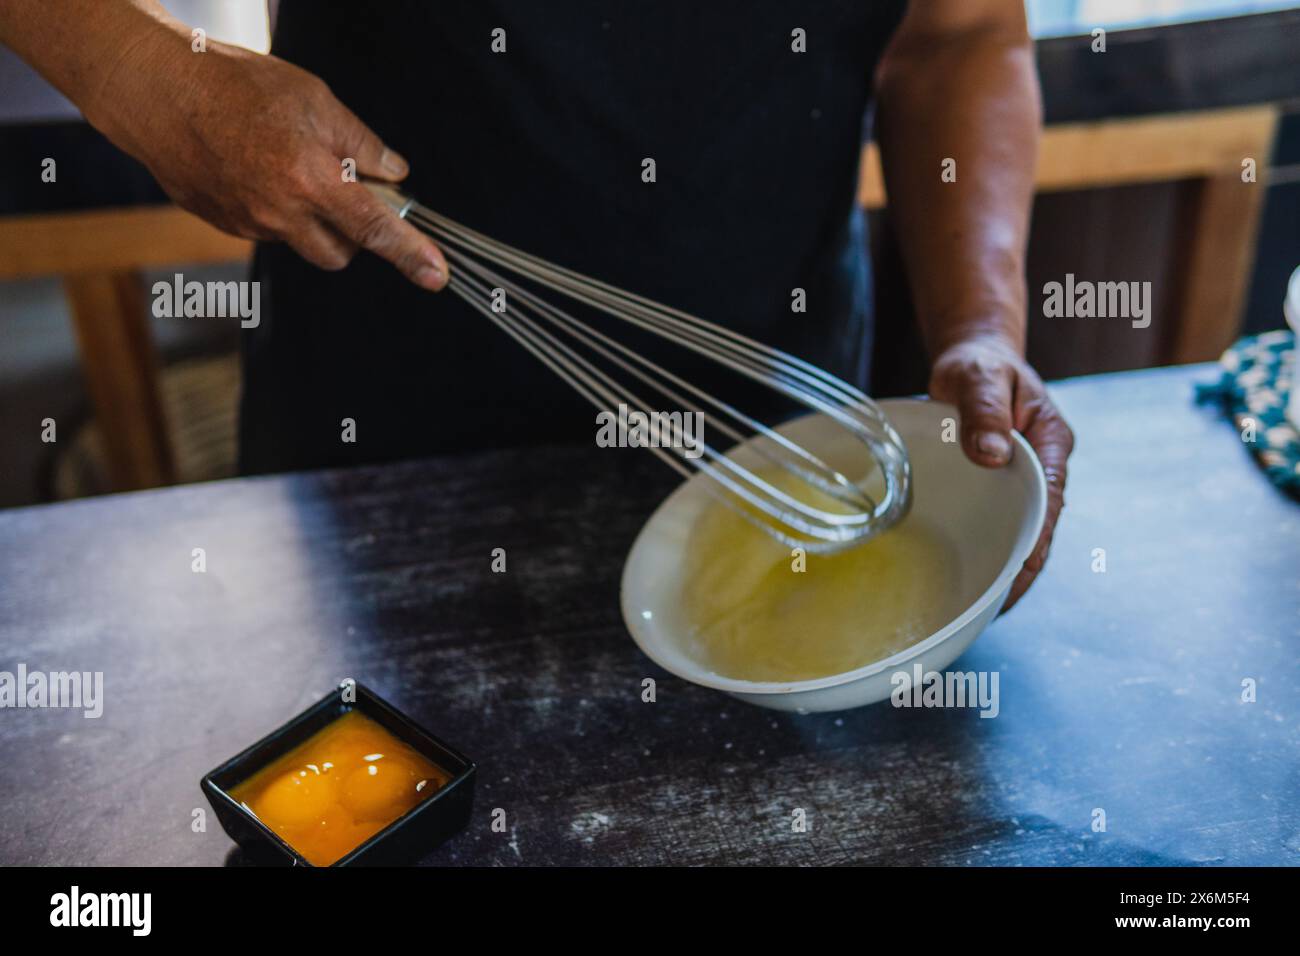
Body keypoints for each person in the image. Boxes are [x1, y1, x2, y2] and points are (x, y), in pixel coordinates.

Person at [0, 0, 1072, 608]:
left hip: (783, 443)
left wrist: (982, 322)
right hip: (389, 456)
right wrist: (152, 75)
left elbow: (958, 35)